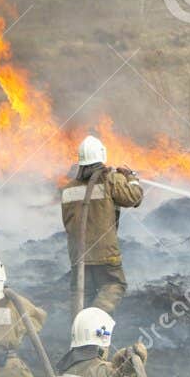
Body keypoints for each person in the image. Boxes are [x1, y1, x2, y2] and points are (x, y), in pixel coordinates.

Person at [60, 134, 142, 314]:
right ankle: (96, 320)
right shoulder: (110, 179)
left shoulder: (68, 189)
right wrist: (132, 177)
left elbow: (68, 223)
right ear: (101, 156)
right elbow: (134, 198)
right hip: (105, 253)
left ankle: (79, 333)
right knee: (114, 285)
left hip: (78, 254)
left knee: (81, 294)